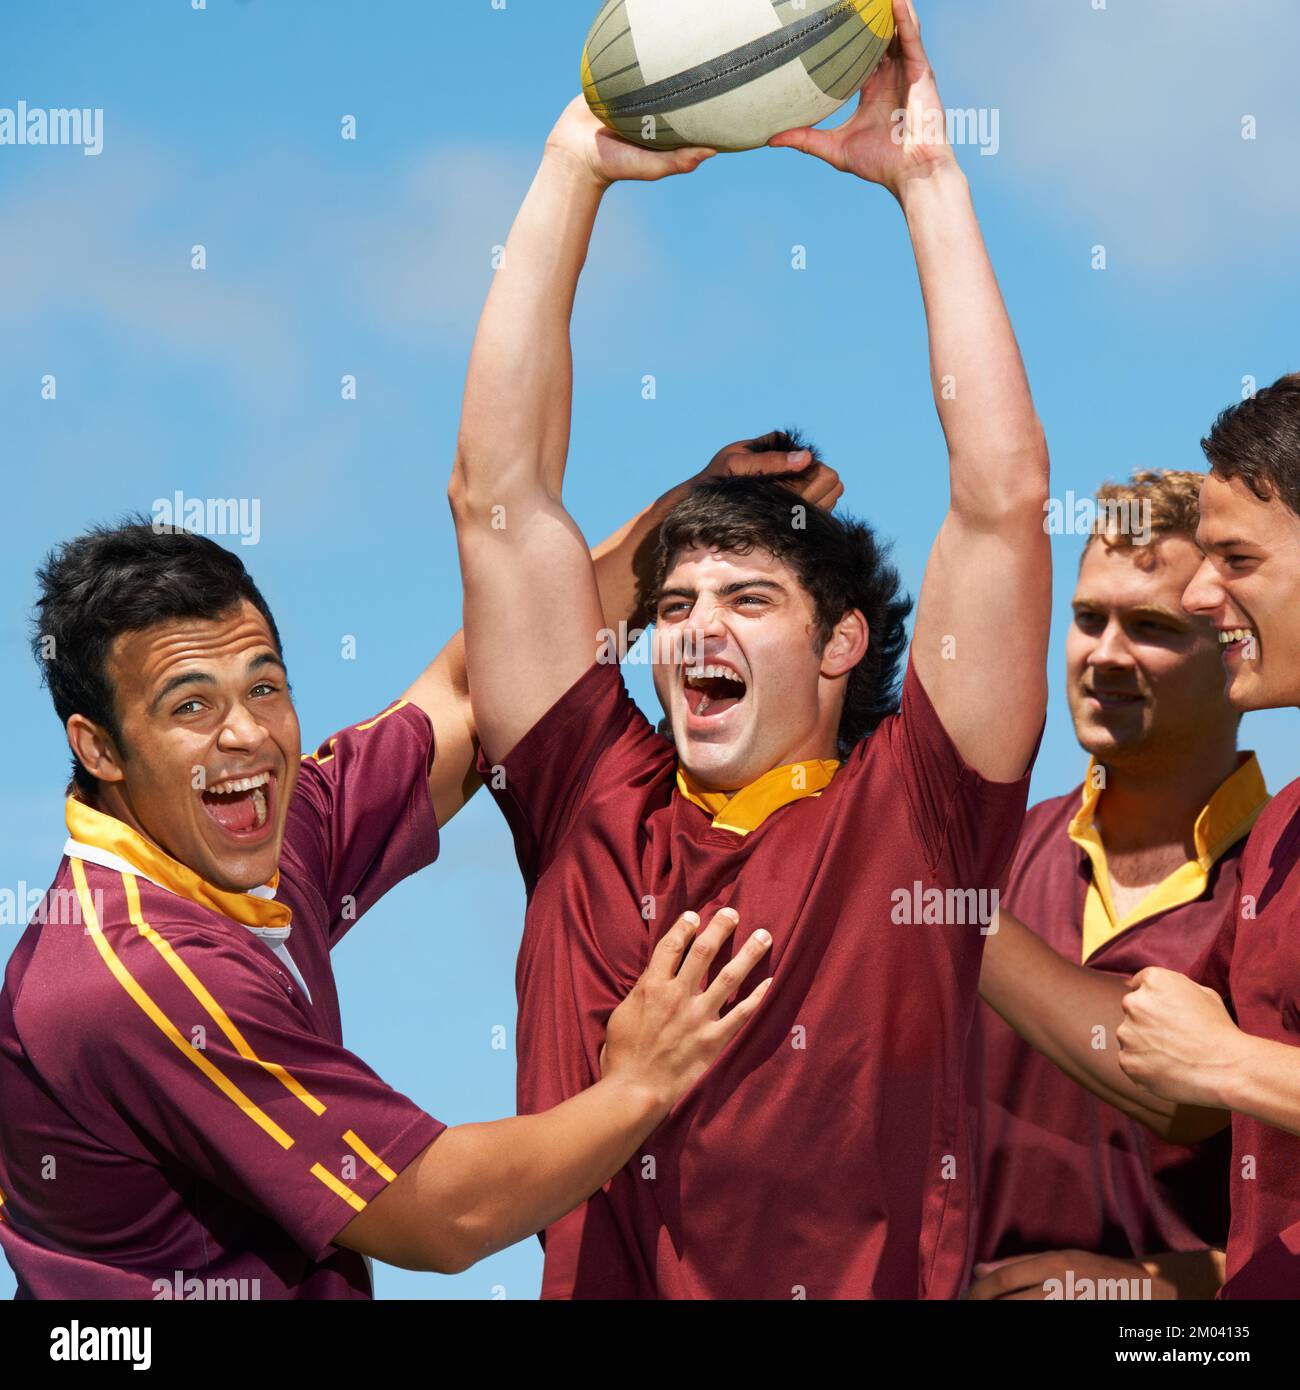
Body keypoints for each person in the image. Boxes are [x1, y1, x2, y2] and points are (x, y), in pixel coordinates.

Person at [450, 0, 1050, 1298]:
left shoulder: (921, 817)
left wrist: (927, 183)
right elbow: (496, 501)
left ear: (843, 643)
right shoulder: (585, 796)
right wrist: (573, 166)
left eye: (746, 600)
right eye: (671, 607)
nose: (694, 629)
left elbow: (1002, 499)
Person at [0, 476, 790, 1298]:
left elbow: (473, 690)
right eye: (191, 705)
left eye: (264, 688)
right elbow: (438, 1214)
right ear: (99, 749)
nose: (247, 735)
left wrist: (687, 525)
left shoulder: (247, 840)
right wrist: (640, 1084)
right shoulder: (135, 974)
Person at [979, 373, 1300, 1301]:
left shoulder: (1260, 861)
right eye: (1087, 619)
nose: (1105, 653)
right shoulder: (994, 857)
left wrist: (1141, 1293)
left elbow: (1189, 1099)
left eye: (1149, 625)